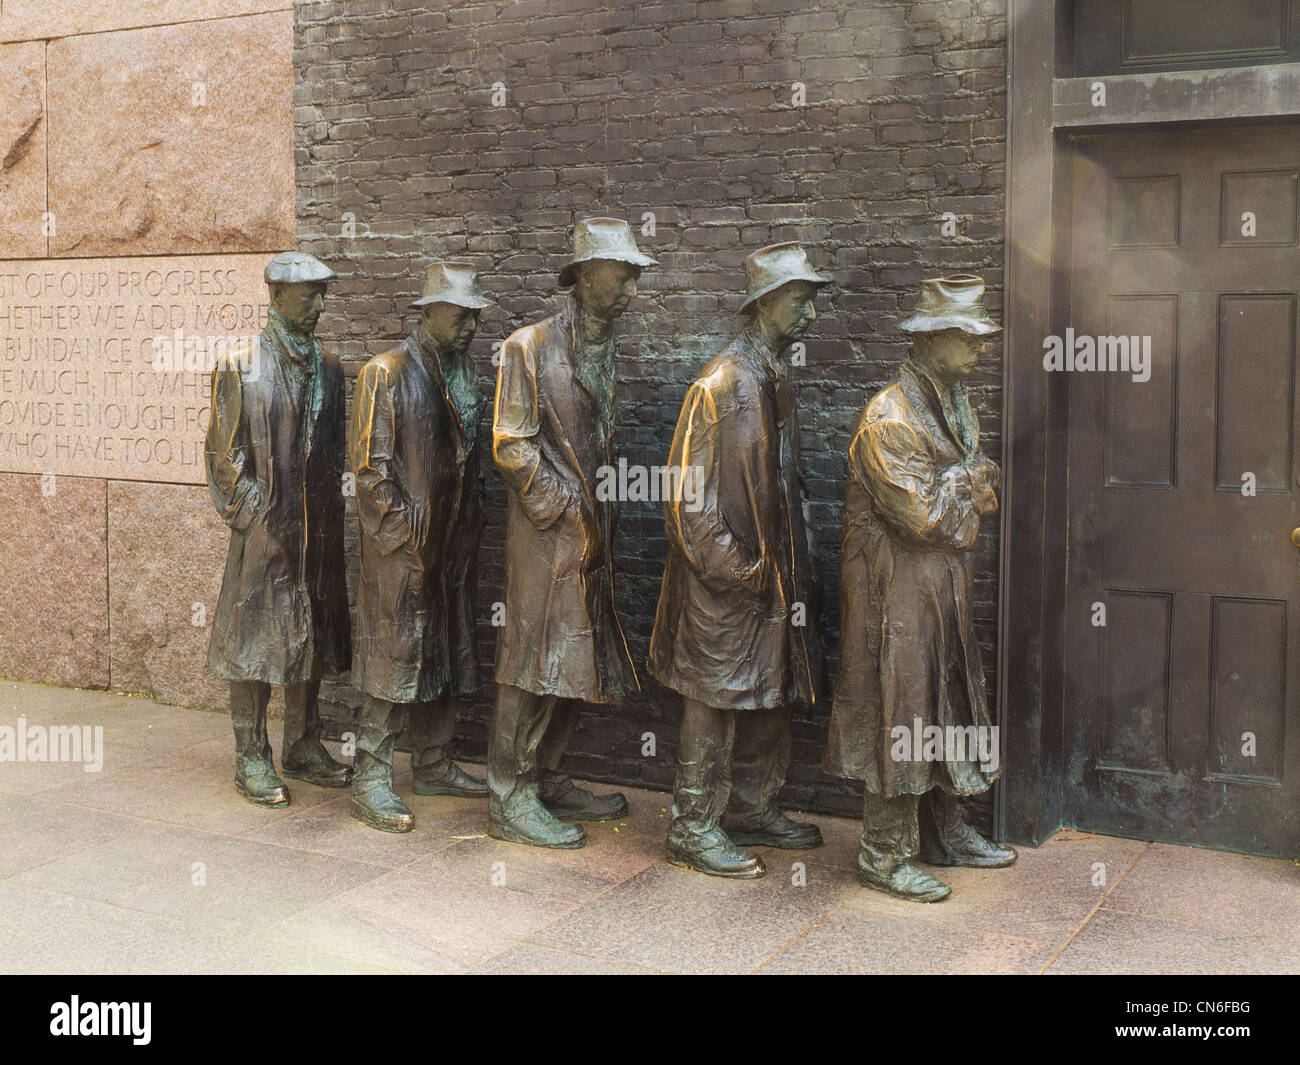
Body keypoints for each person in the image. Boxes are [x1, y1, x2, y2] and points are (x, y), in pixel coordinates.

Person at [822, 275, 1017, 902]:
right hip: (893, 592)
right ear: (932, 341)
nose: (980, 351)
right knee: (899, 707)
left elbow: (972, 500)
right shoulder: (889, 418)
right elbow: (925, 518)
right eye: (969, 339)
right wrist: (968, 480)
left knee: (947, 698)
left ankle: (944, 831)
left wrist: (964, 487)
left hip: (940, 584)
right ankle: (883, 852)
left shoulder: (954, 402)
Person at [648, 242, 829, 878]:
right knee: (713, 701)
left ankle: (752, 807)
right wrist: (735, 568)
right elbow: (687, 497)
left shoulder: (773, 376)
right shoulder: (721, 383)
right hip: (724, 583)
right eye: (799, 300)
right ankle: (692, 826)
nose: (809, 313)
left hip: (771, 577)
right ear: (765, 304)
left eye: (811, 300)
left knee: (768, 692)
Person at [488, 218, 656, 849]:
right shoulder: (526, 347)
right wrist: (561, 505)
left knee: (574, 662)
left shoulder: (606, 345)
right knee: (531, 663)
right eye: (624, 275)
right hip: (546, 537)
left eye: (636, 277)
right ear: (586, 277)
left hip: (590, 532)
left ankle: (547, 777)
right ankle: (508, 795)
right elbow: (511, 444)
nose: (633, 290)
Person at [348, 262, 494, 832]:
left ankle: (433, 761)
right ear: (428, 312)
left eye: (474, 317)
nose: (470, 327)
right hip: (403, 552)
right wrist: (404, 537)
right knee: (393, 658)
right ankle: (370, 773)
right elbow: (368, 469)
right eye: (460, 315)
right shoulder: (386, 373)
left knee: (444, 652)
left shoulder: (467, 375)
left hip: (452, 544)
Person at [205, 251, 352, 807]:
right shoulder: (240, 367)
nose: (318, 304)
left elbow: (334, 449)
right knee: (254, 642)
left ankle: (303, 742)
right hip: (266, 534)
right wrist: (255, 515)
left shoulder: (333, 369)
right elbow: (223, 455)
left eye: (322, 294)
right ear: (275, 296)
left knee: (309, 633)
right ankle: (250, 751)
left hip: (318, 532)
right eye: (307, 294)